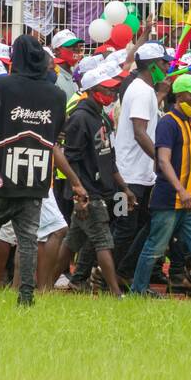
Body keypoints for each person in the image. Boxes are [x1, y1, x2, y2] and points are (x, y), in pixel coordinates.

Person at [0, 35, 85, 306]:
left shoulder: (3, 86)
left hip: (2, 171)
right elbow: (59, 133)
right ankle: (26, 295)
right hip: (37, 175)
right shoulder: (57, 94)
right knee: (28, 238)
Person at [132, 74, 191, 299]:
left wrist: (189, 192)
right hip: (169, 199)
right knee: (155, 247)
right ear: (180, 96)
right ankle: (138, 290)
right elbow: (162, 160)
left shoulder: (190, 124)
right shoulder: (168, 123)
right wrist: (181, 190)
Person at [49, 62, 129, 297]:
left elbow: (109, 156)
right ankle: (115, 293)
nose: (112, 94)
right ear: (93, 91)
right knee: (103, 240)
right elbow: (68, 159)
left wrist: (123, 187)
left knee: (73, 242)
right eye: (106, 90)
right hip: (87, 192)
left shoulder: (102, 118)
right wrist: (78, 191)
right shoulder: (80, 118)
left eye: (113, 89)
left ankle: (45, 287)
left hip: (102, 188)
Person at [111, 41, 166, 278]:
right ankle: (107, 276)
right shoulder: (141, 91)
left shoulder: (144, 90)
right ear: (153, 66)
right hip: (128, 178)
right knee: (123, 228)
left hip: (141, 176)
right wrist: (160, 159)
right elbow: (139, 132)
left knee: (141, 226)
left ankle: (123, 273)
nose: (167, 67)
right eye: (164, 63)